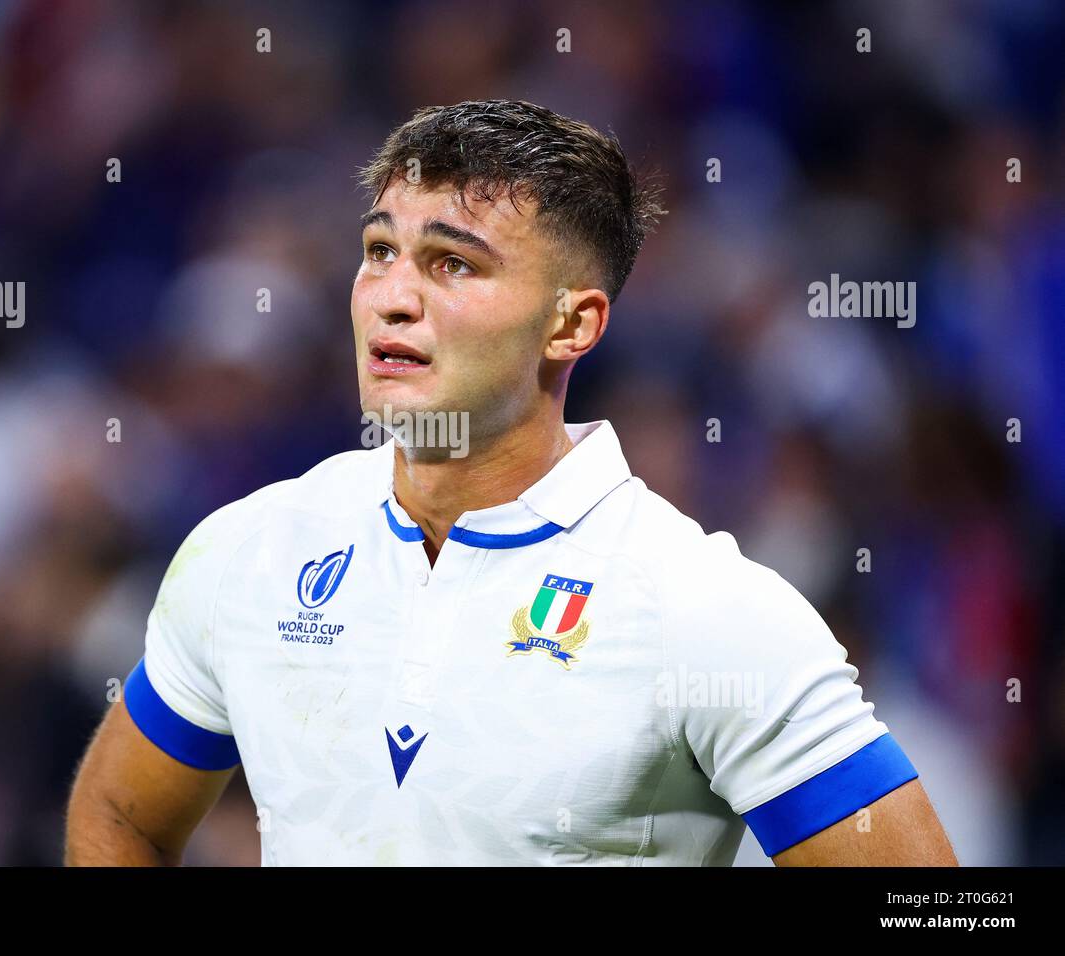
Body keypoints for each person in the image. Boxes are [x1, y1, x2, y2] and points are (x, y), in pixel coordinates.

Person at [65, 99, 956, 866]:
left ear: (573, 324)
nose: (391, 296)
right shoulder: (254, 550)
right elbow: (117, 815)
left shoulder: (700, 608)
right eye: (380, 251)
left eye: (452, 263)